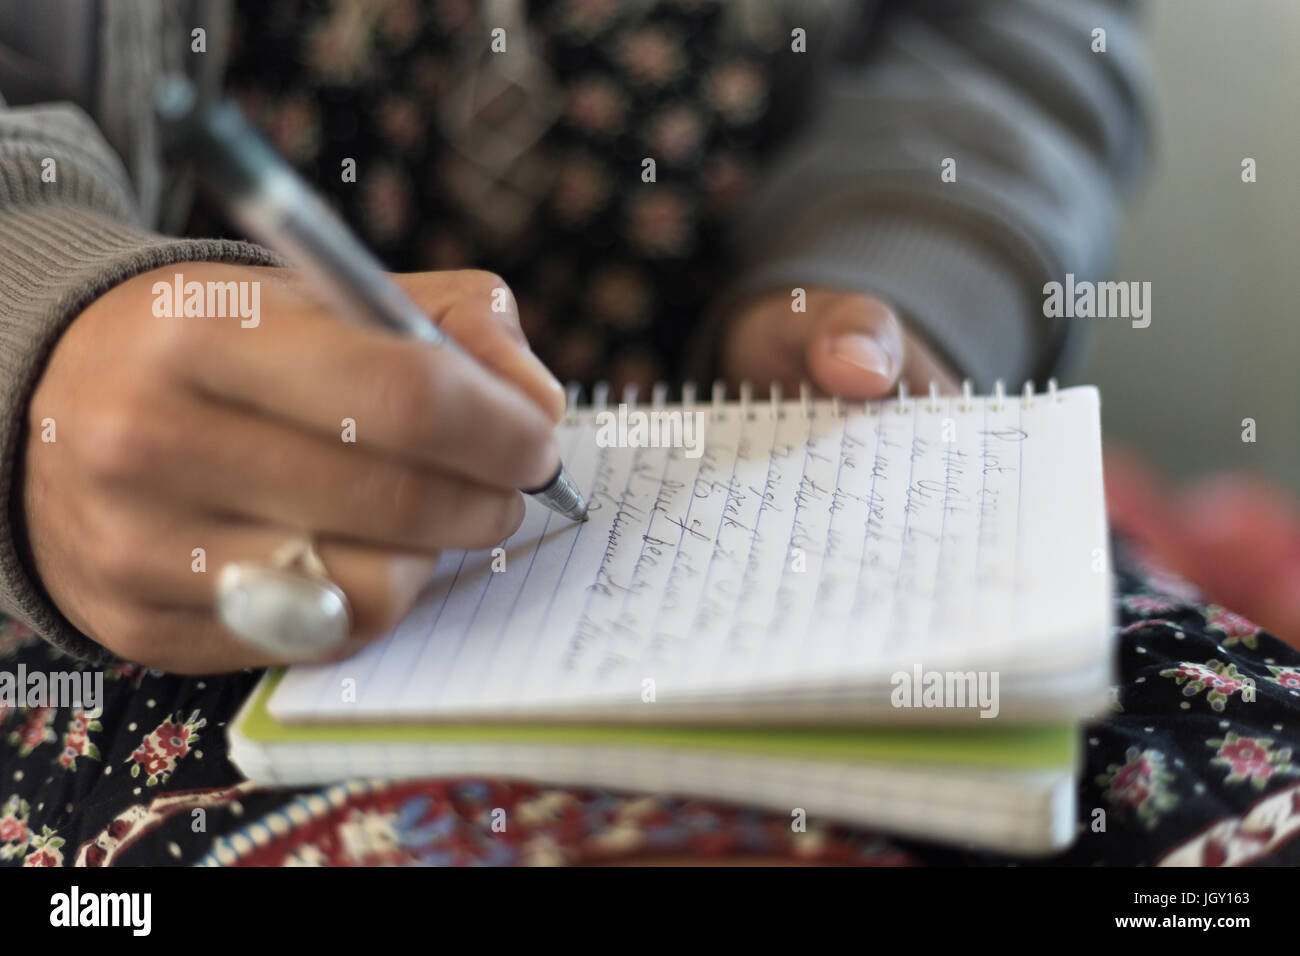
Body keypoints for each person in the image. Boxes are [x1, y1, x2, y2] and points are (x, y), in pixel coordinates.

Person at [4, 1, 1214, 868]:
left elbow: (1009, 34)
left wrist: (891, 276)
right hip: (150, 565)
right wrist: (43, 337)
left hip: (810, 441)